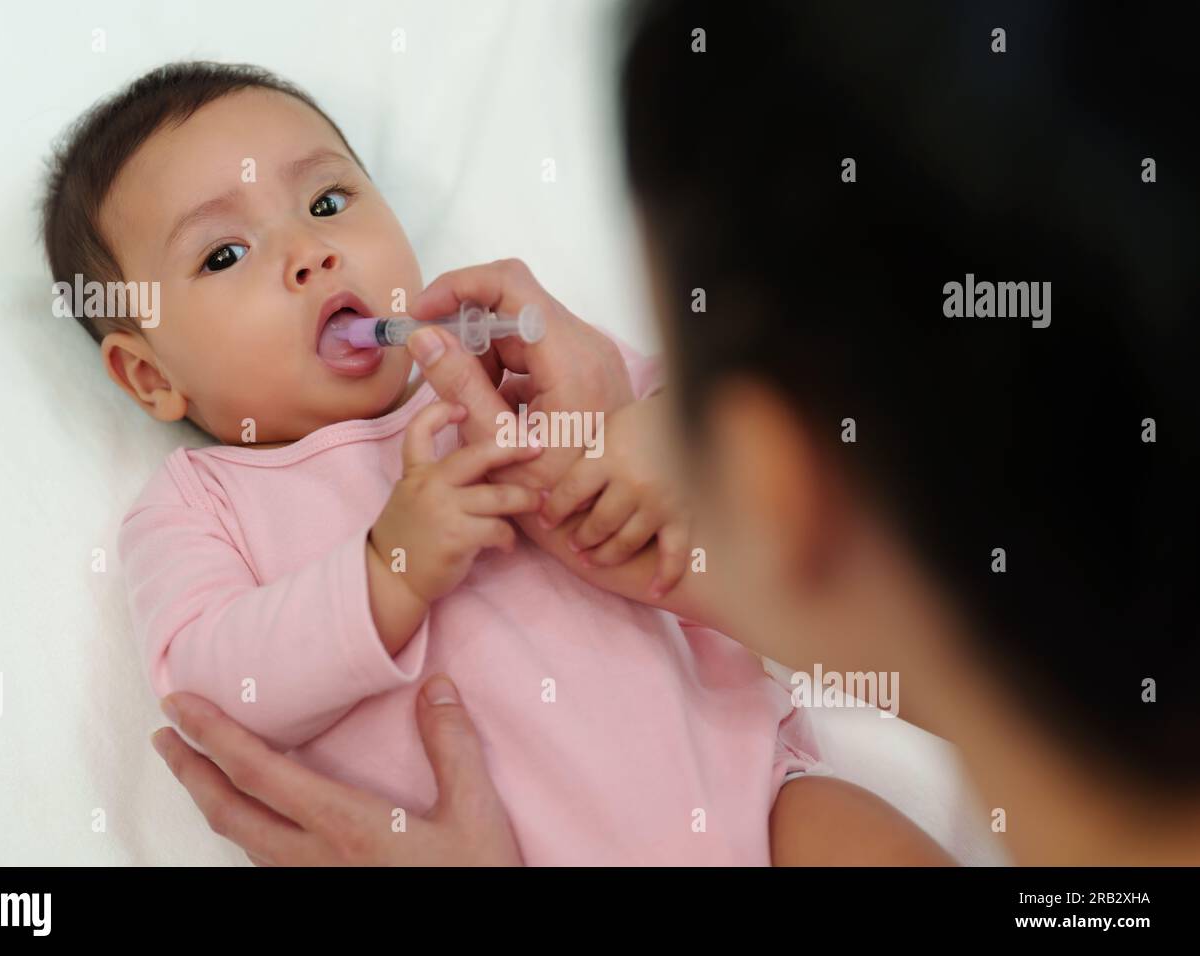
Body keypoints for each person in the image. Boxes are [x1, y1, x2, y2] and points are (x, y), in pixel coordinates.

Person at [152, 0, 1200, 865]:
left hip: (759, 795)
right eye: (223, 256)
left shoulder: (522, 372)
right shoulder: (205, 500)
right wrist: (387, 566)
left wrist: (633, 421)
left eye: (329, 200)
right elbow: (207, 683)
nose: (309, 255)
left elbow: (690, 448)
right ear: (146, 372)